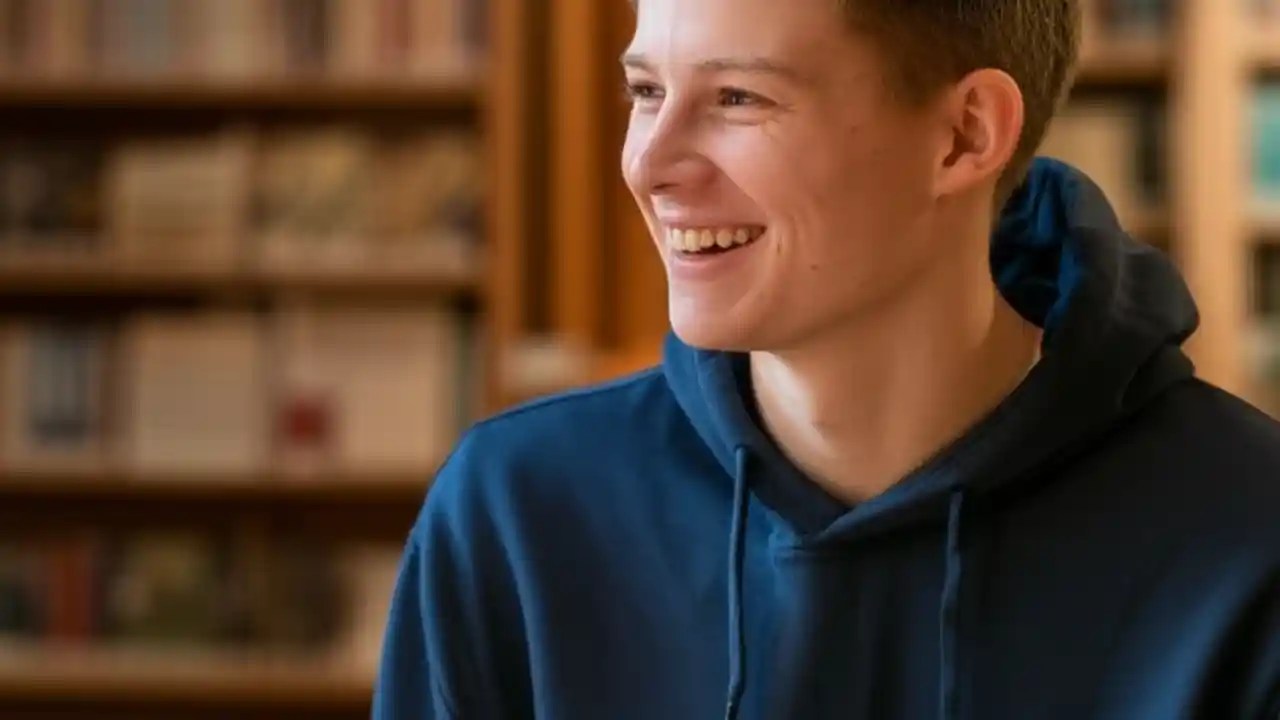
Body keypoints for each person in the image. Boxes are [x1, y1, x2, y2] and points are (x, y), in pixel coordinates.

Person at [373, 0, 1280, 717]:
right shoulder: (516, 514)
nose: (650, 164)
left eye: (739, 98)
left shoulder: (1248, 534)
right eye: (646, 91)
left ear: (965, 134)